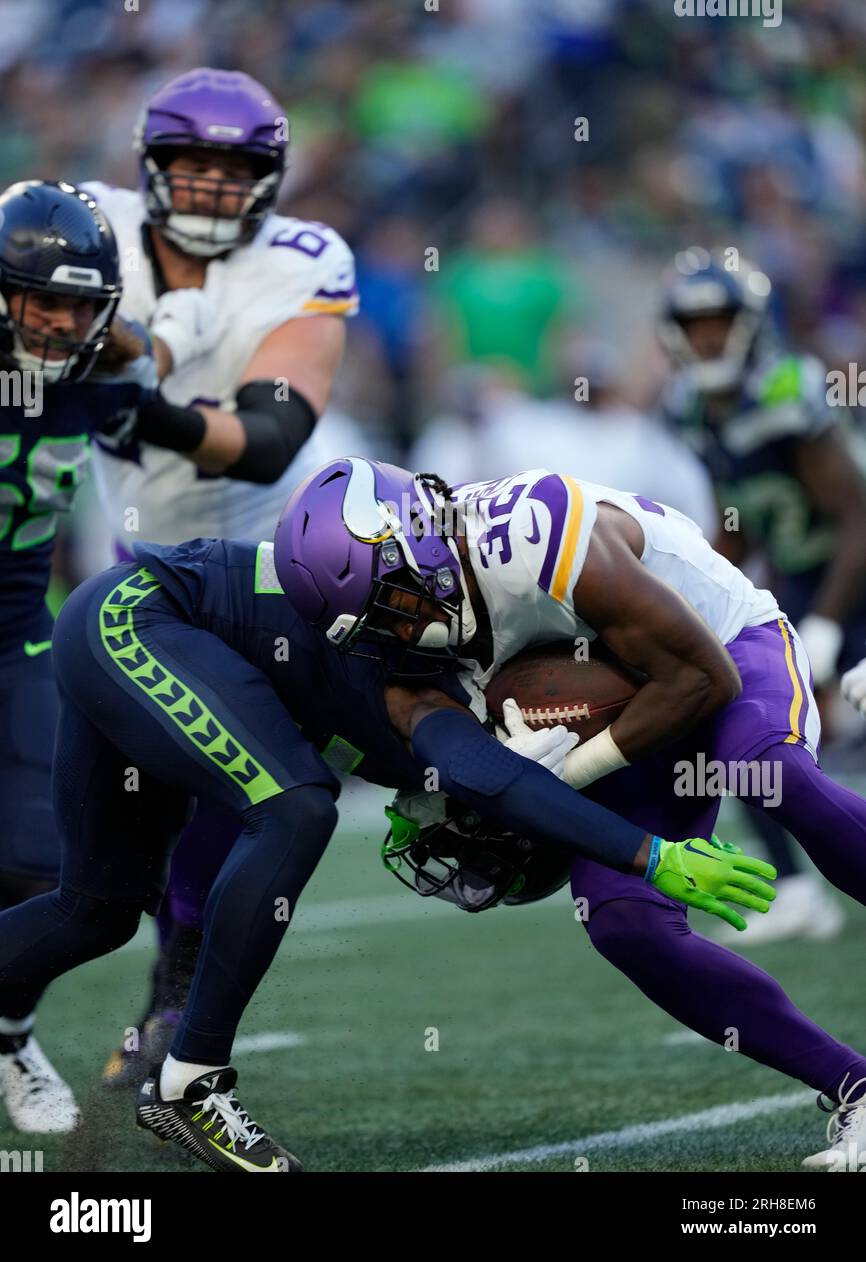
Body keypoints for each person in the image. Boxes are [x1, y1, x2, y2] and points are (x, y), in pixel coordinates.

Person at [0, 535, 768, 1172]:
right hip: (136, 617)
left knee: (94, 909)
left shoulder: (465, 706)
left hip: (130, 630)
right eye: (487, 847)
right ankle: (189, 1085)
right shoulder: (450, 697)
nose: (460, 853)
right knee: (296, 805)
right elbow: (495, 778)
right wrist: (651, 857)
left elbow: (498, 780)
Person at [274, 456, 866, 1168]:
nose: (398, 635)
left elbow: (704, 678)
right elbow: (471, 761)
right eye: (375, 627)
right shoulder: (394, 652)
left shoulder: (533, 535)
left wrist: (570, 771)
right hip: (628, 710)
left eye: (396, 604)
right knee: (623, 920)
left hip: (724, 645)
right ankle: (853, 1085)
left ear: (422, 537)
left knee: (770, 772)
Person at [83, 66, 364, 1081]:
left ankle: (182, 990)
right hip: (119, 546)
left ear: (269, 179)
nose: (206, 183)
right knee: (128, 800)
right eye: (188, 162)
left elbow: (266, 440)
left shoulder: (299, 263)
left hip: (259, 567)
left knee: (244, 787)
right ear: (150, 167)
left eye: (230, 166)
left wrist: (140, 407)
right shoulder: (85, 225)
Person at [0, 179, 155, 1132]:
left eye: (78, 306)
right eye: (40, 299)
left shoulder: (101, 373)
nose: (59, 324)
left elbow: (151, 358)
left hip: (18, 628)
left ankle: (11, 1032)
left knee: (58, 866)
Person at [659, 249, 861, 942]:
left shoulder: (786, 388)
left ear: (750, 324)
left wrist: (830, 624)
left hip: (850, 574)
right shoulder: (688, 405)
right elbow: (739, 524)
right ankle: (799, 890)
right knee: (738, 725)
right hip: (804, 582)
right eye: (695, 324)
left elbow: (857, 515)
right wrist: (690, 594)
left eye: (719, 322)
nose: (708, 338)